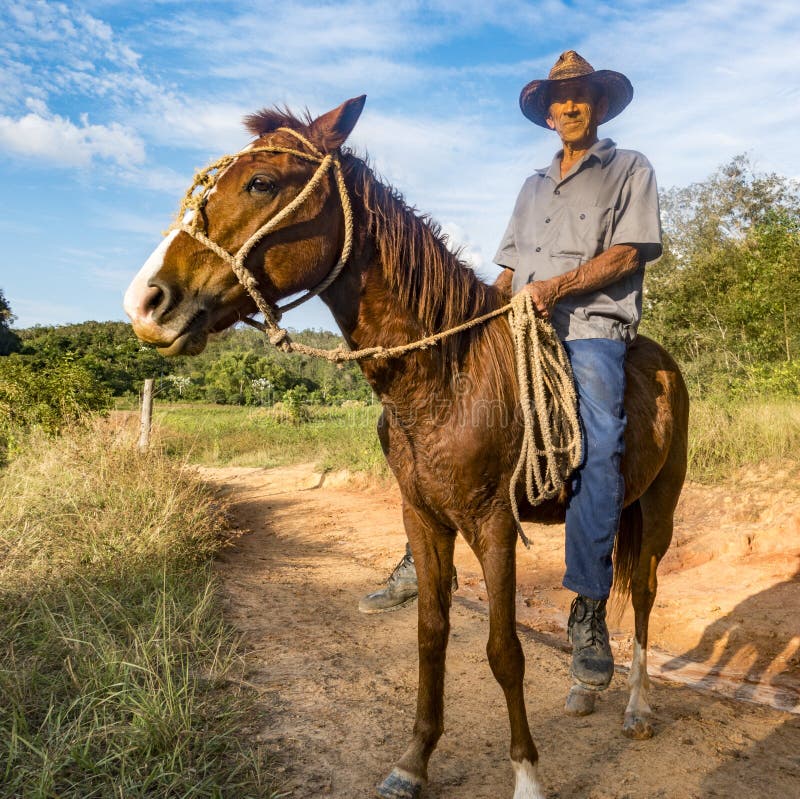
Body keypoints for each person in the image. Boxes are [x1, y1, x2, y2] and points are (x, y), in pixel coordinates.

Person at [359, 51, 662, 692]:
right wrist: (478, 314)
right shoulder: (531, 186)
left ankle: (587, 605)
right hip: (518, 321)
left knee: (602, 441)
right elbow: (505, 270)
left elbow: (631, 252)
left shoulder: (630, 169)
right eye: (560, 98)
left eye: (581, 94)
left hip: (591, 329)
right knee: (419, 417)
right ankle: (420, 555)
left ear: (599, 105)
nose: (570, 105)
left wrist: (556, 288)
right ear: (548, 114)